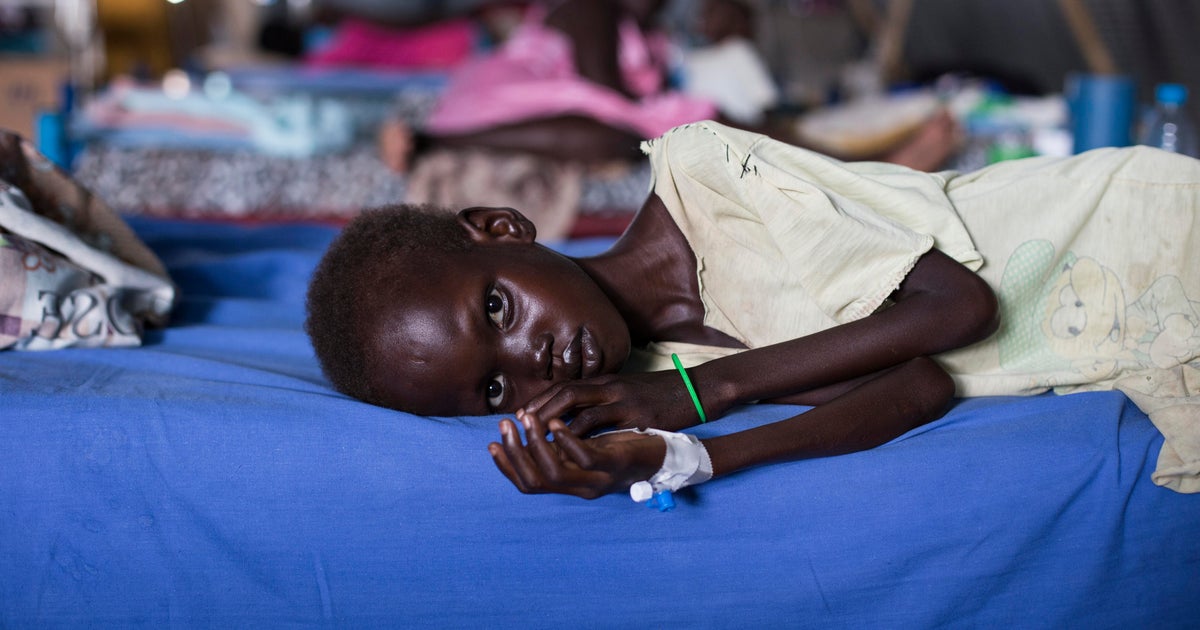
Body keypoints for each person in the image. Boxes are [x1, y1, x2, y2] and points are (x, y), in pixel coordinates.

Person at [306, 120, 1200, 500]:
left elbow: (954, 308)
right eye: (496, 390)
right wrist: (678, 455)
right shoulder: (660, 379)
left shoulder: (705, 177)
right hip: (1142, 337)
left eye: (498, 309)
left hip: (1142, 235)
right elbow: (918, 386)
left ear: (501, 227)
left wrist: (706, 401)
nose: (535, 361)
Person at [377, 0, 961, 174]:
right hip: (503, 101)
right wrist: (686, 116)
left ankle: (869, 166)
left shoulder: (647, 29)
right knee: (650, 133)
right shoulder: (592, 10)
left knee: (658, 132)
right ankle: (433, 142)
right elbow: (606, 94)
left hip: (558, 110)